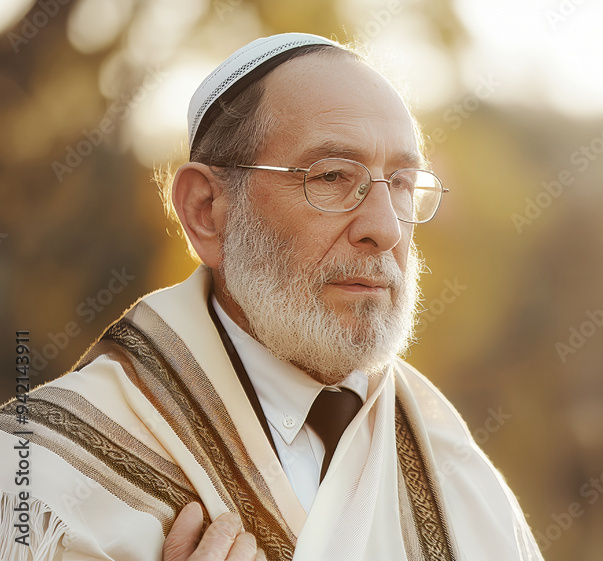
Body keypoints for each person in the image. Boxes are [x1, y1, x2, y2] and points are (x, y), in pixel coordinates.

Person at [0, 33, 543, 561]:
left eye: (401, 183)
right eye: (331, 176)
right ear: (206, 211)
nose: (385, 229)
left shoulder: (466, 485)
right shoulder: (38, 476)